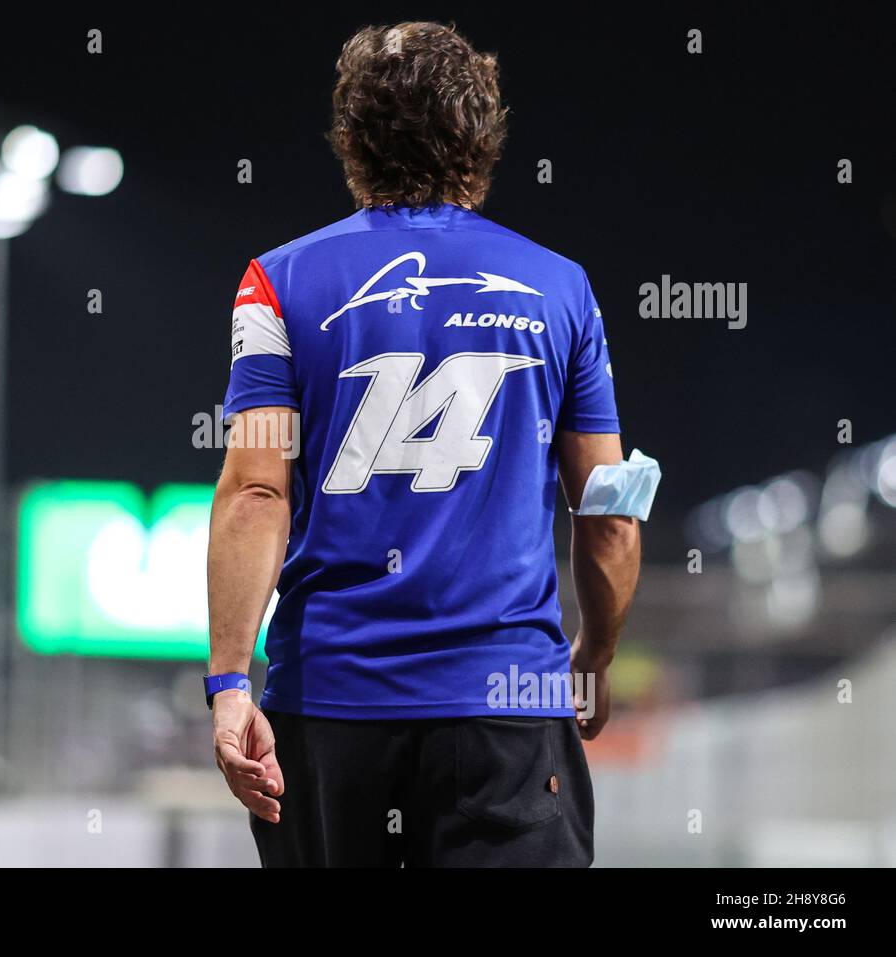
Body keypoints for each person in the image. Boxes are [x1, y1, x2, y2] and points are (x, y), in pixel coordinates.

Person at [206, 21, 642, 867]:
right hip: (508, 706)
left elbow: (257, 493)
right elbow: (610, 511)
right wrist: (594, 653)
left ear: (351, 139)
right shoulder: (563, 290)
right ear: (484, 138)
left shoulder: (274, 283)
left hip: (328, 708)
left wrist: (229, 685)